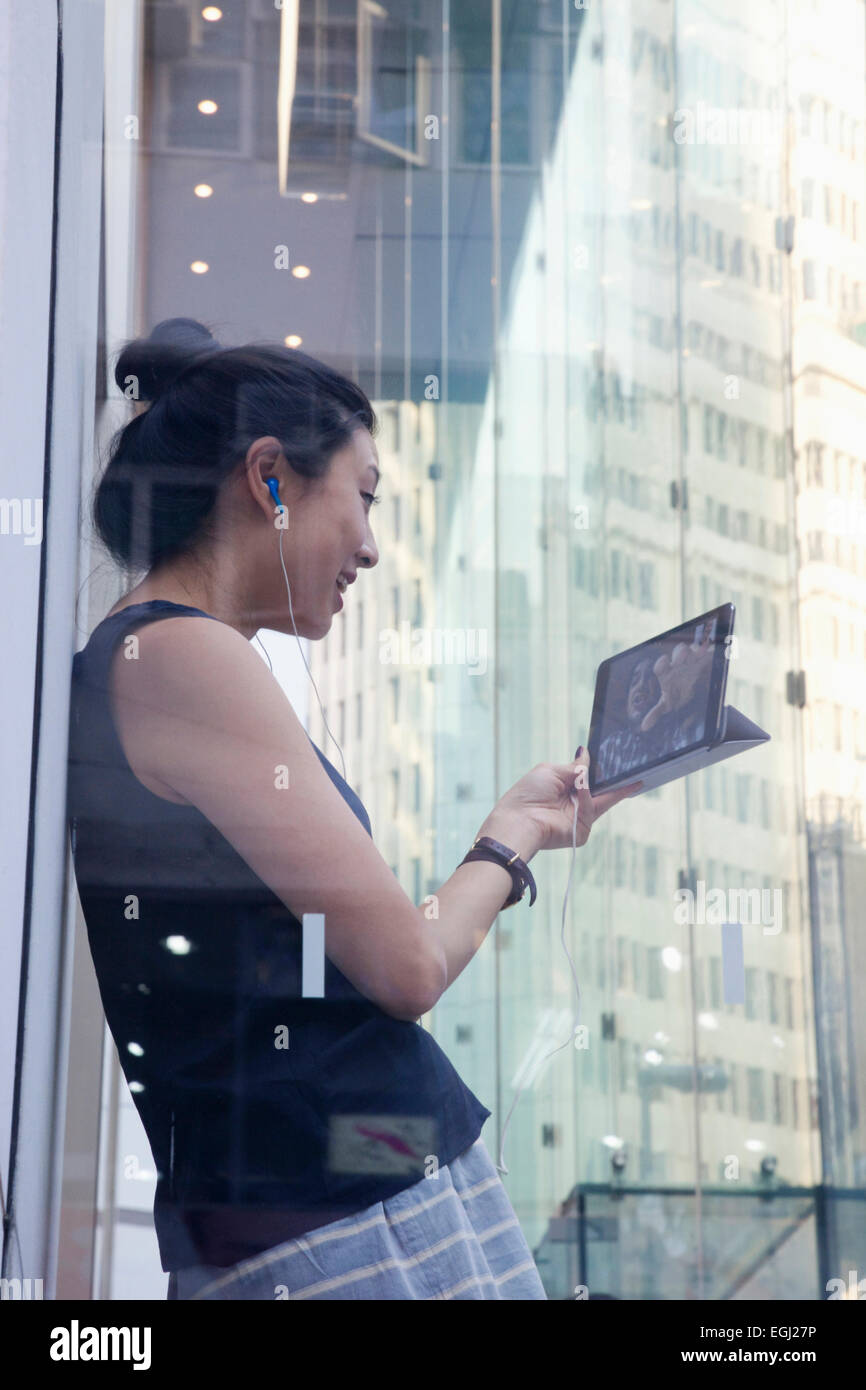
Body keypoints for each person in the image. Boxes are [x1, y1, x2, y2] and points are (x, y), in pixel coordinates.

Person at [67, 318, 638, 1301]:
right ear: (270, 479)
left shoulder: (157, 656)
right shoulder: (179, 656)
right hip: (349, 1223)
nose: (371, 548)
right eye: (363, 497)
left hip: (328, 1206)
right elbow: (406, 968)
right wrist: (510, 840)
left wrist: (518, 826)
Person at [597, 632, 713, 783]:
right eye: (634, 681)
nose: (640, 686)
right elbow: (592, 785)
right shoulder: (613, 746)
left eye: (650, 678)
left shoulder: (681, 732)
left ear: (663, 692)